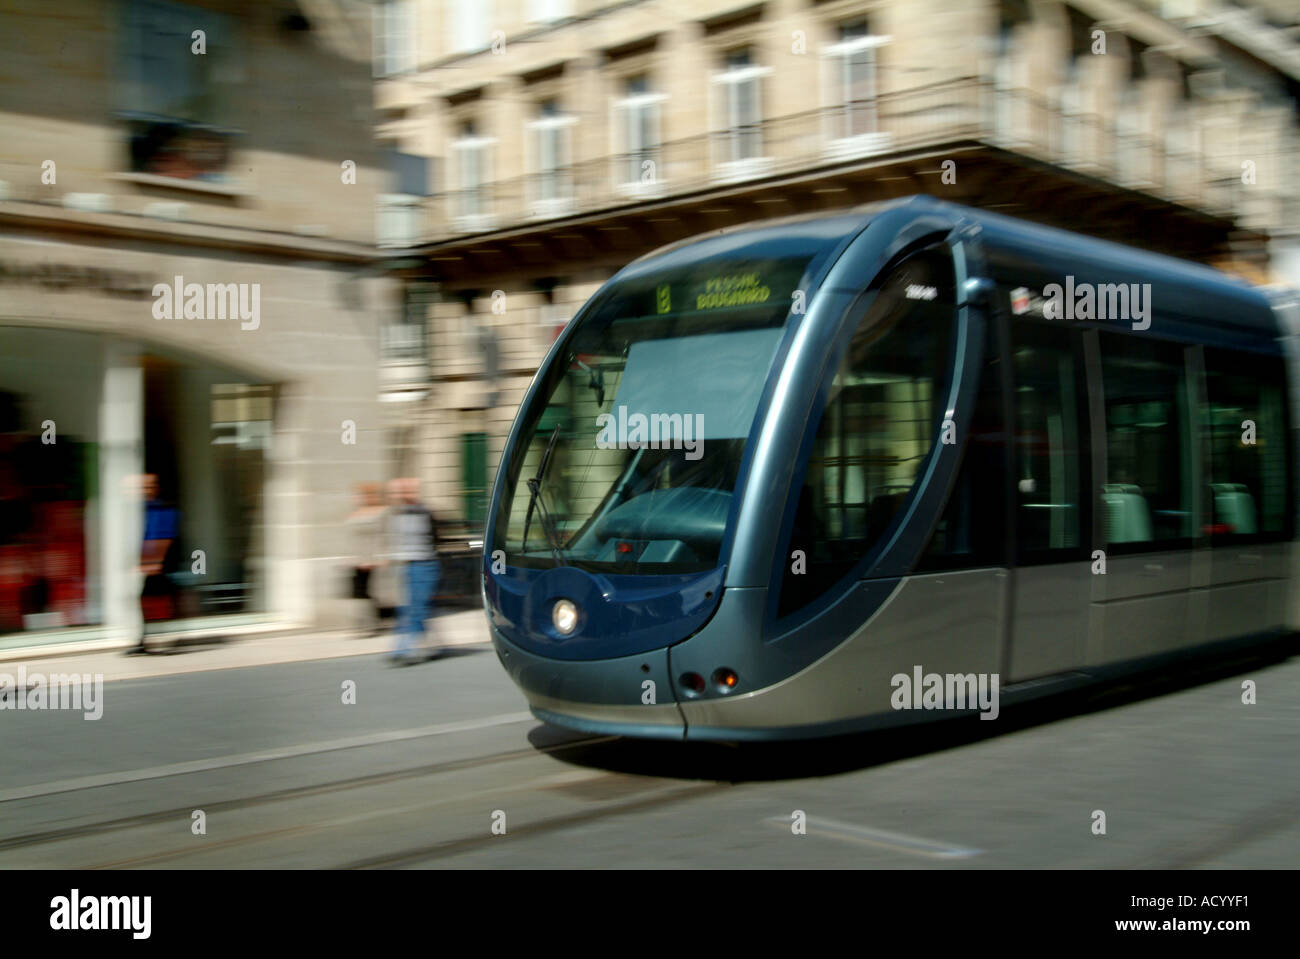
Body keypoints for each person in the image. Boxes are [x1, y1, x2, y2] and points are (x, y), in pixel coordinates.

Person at [385, 477, 440, 665]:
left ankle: (406, 648)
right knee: (408, 609)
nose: (403, 494)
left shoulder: (423, 512)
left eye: (408, 490)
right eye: (402, 491)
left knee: (417, 608)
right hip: (406, 565)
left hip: (424, 564)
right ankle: (413, 646)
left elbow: (435, 539)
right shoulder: (397, 513)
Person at [126, 473, 179, 655]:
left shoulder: (161, 509)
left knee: (148, 602)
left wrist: (153, 563)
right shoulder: (141, 508)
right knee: (140, 602)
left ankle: (148, 640)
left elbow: (163, 537)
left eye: (147, 487)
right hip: (146, 563)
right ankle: (143, 640)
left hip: (156, 564)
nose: (142, 491)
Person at [345, 483, 388, 635]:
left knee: (366, 592)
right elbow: (351, 538)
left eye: (362, 495)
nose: (358, 498)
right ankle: (364, 623)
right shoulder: (356, 512)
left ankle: (370, 624)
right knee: (358, 592)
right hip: (356, 559)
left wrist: (377, 558)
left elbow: (382, 537)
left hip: (370, 559)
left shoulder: (381, 512)